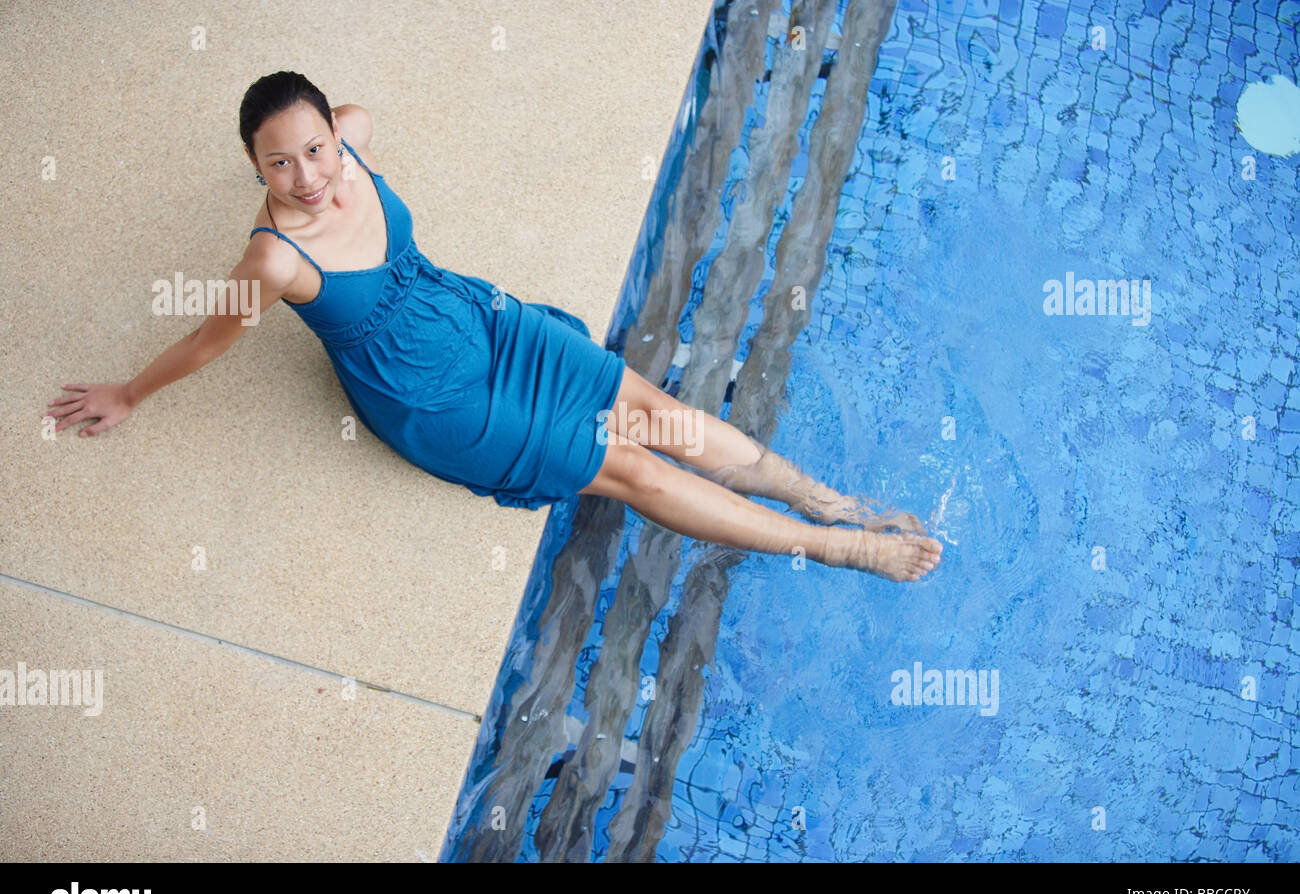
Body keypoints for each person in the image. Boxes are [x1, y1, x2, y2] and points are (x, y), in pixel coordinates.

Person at [43, 71, 941, 581]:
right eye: (279, 163)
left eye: (315, 148)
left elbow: (358, 113)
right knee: (622, 465)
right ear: (255, 168)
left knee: (645, 408)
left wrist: (338, 135)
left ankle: (815, 492)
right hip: (431, 398)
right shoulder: (277, 257)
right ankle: (832, 542)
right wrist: (127, 391)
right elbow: (209, 338)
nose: (309, 174)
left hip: (476, 321)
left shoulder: (349, 143)